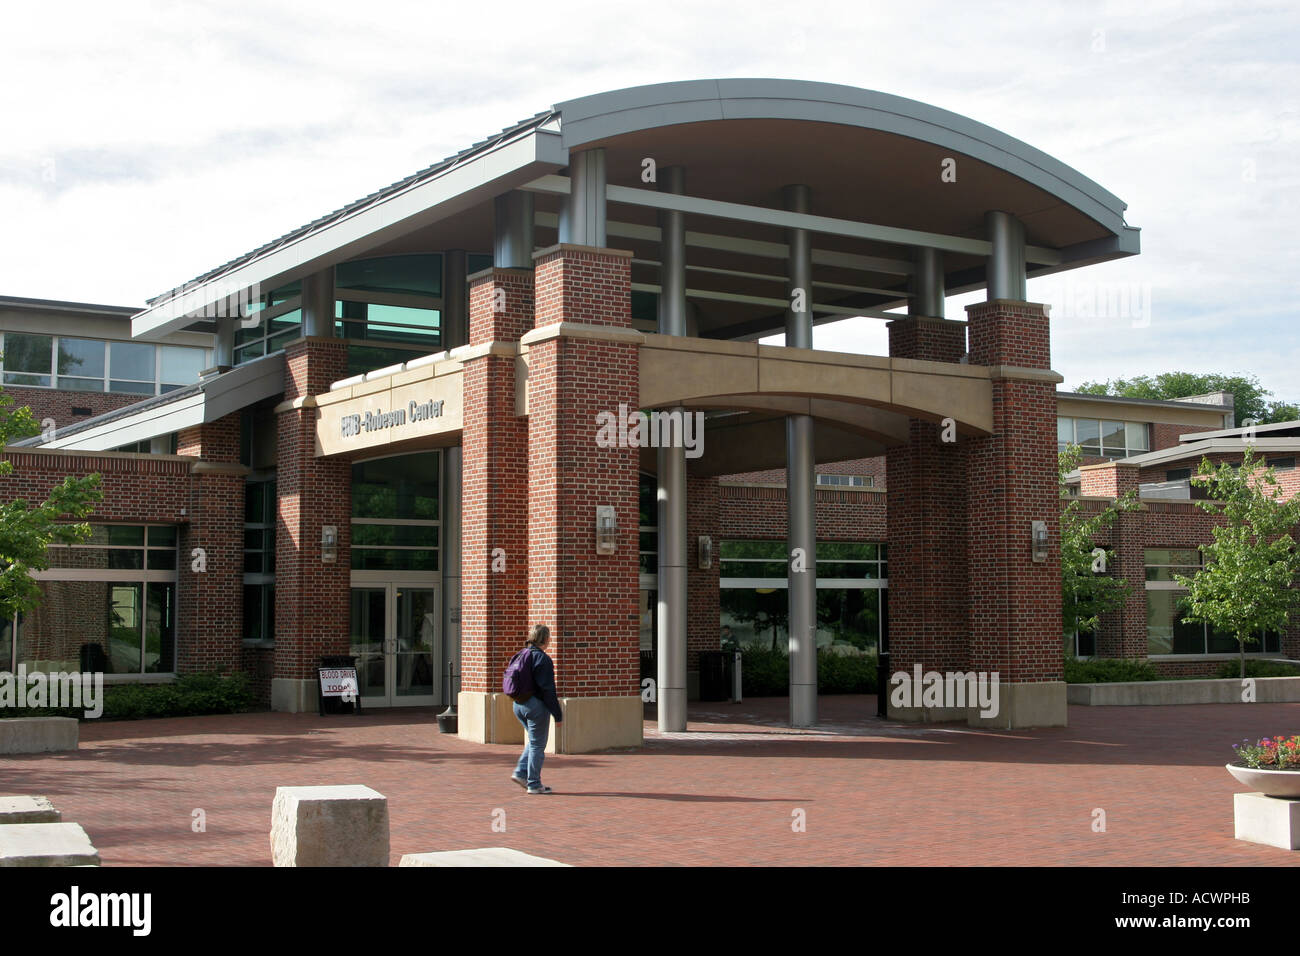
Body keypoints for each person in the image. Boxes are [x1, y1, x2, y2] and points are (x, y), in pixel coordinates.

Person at [511, 624, 563, 794]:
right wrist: (558, 714)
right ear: (546, 639)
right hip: (535, 706)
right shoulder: (543, 659)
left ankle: (521, 773)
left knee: (534, 741)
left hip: (518, 704)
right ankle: (533, 783)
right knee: (538, 745)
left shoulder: (521, 654)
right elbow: (548, 690)